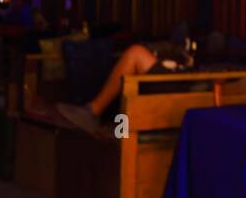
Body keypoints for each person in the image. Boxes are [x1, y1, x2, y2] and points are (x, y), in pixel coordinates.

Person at [56, 32, 196, 132]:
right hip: (181, 76)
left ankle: (94, 111)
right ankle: (97, 114)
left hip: (184, 82)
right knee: (127, 69)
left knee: (135, 54)